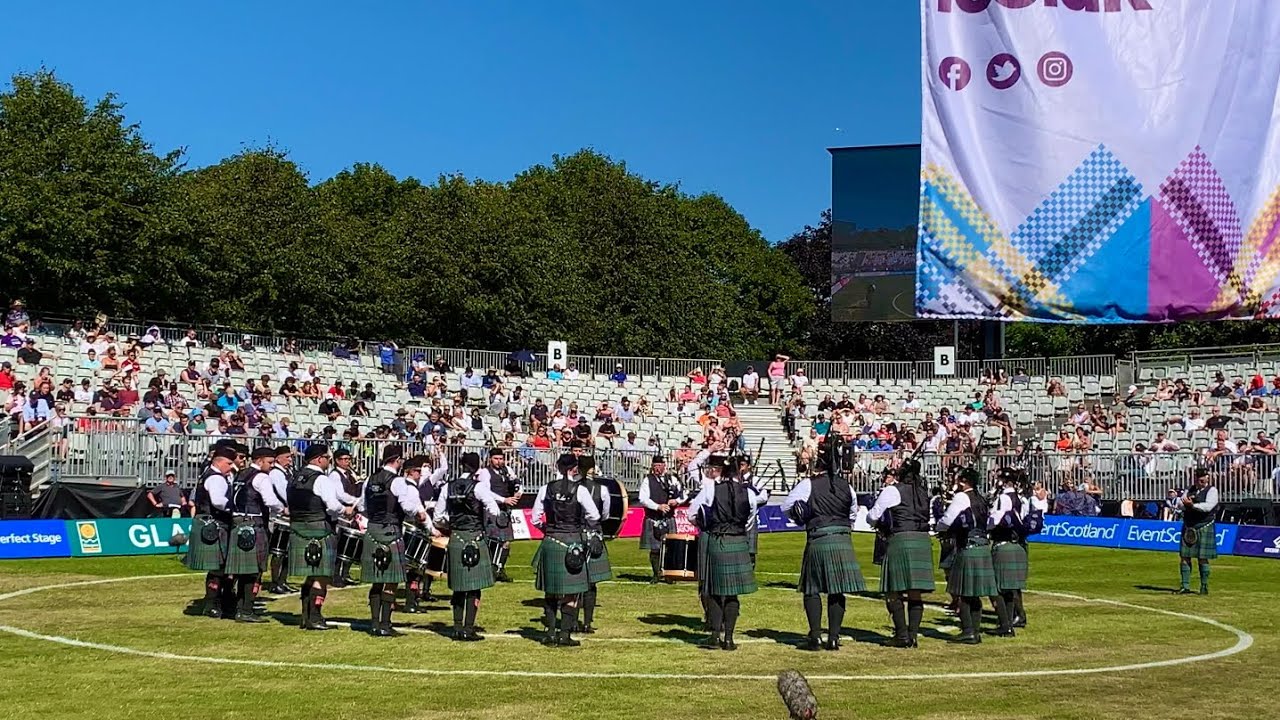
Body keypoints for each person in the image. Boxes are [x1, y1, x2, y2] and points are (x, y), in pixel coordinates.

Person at [781, 446, 866, 651]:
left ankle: (816, 636)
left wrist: (801, 516)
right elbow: (853, 512)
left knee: (812, 588)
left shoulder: (807, 484)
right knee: (837, 590)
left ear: (817, 467)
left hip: (819, 536)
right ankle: (834, 637)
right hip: (842, 537)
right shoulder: (847, 486)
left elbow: (786, 507)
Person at [686, 449, 759, 651]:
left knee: (717, 592)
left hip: (718, 541)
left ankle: (715, 636)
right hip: (738, 542)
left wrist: (709, 524)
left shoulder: (711, 490)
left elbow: (692, 514)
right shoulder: (750, 494)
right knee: (733, 594)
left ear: (724, 471)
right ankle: (729, 638)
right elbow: (749, 522)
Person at [358, 446, 429, 637]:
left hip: (373, 530)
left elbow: (362, 505)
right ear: (397, 460)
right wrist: (419, 512)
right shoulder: (397, 481)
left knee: (376, 580)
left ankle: (374, 624)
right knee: (390, 581)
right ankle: (385, 624)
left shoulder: (369, 479)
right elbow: (407, 507)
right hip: (391, 531)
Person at [530, 453, 600, 647]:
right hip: (572, 542)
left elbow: (535, 519)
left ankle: (551, 633)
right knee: (572, 592)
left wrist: (548, 530)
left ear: (558, 467)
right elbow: (594, 516)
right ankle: (564, 635)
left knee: (551, 590)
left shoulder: (546, 488)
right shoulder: (580, 490)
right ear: (574, 469)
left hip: (551, 541)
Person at [936, 467, 1012, 643]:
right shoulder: (981, 497)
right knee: (975, 592)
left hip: (968, 546)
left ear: (963, 481)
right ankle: (974, 631)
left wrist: (939, 528)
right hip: (983, 545)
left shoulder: (962, 497)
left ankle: (969, 630)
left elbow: (947, 520)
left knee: (963, 591)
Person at [867, 457, 935, 648]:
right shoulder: (923, 492)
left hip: (901, 540)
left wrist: (876, 524)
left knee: (893, 592)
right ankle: (913, 635)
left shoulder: (892, 490)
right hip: (922, 540)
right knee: (915, 593)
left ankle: (902, 635)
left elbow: (873, 516)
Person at [286, 444, 355, 630]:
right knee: (322, 575)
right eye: (328, 458)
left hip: (298, 528)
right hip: (320, 528)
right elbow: (332, 505)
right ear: (319, 459)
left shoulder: (294, 478)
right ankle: (315, 617)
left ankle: (306, 616)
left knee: (311, 575)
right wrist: (345, 510)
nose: (328, 462)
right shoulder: (321, 479)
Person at [435, 452, 501, 641]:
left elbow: (438, 517)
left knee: (458, 585)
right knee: (474, 586)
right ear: (477, 467)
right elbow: (494, 510)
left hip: (456, 537)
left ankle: (457, 628)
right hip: (475, 536)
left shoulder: (448, 487)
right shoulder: (478, 487)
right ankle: (468, 628)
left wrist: (452, 524)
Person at [223, 447, 285, 623]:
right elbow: (270, 501)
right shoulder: (261, 477)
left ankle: (230, 605)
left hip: (237, 522)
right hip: (254, 523)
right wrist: (284, 509)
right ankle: (246, 610)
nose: (272, 466)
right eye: (270, 462)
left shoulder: (241, 474)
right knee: (253, 571)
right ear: (259, 461)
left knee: (237, 570)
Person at [184, 444, 238, 619]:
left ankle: (218, 602)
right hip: (214, 524)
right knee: (218, 568)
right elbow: (218, 501)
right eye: (229, 463)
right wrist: (236, 507)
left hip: (207, 523)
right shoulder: (216, 478)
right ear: (220, 461)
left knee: (219, 567)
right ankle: (212, 604)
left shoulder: (208, 474)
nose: (231, 467)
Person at [403, 451, 450, 613]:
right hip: (414, 528)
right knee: (414, 567)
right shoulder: (410, 488)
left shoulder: (414, 485)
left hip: (417, 527)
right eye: (420, 468)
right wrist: (432, 529)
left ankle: (415, 598)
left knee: (418, 567)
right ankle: (410, 602)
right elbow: (418, 510)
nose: (422, 471)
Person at [988, 468, 1029, 628]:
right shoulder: (1018, 498)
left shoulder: (1005, 498)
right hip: (1017, 540)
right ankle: (1018, 615)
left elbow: (997, 519)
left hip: (1005, 539)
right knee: (1013, 583)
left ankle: (1013, 615)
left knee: (1005, 584)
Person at [577, 456, 611, 633]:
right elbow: (604, 514)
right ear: (593, 468)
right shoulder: (603, 489)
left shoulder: (572, 487)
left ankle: (572, 620)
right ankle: (587, 622)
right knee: (591, 582)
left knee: (574, 579)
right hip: (594, 534)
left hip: (575, 534)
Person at [638, 456, 684, 583]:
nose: (657, 467)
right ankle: (656, 574)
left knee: (670, 547)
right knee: (655, 548)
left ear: (665, 465)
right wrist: (658, 506)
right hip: (653, 517)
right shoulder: (648, 480)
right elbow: (643, 499)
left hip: (669, 517)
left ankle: (669, 574)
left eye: (660, 465)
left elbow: (683, 494)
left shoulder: (673, 479)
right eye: (655, 465)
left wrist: (676, 501)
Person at [477, 447, 520, 582]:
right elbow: (484, 491)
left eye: (501, 458)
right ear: (490, 459)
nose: (499, 461)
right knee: (492, 541)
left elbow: (517, 482)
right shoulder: (485, 472)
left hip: (504, 510)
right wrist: (503, 499)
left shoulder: (507, 470)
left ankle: (500, 568)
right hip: (491, 510)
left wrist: (519, 492)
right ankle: (490, 569)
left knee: (506, 542)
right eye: (496, 458)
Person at [1178, 467, 1219, 595]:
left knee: (1202, 558)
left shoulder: (1212, 490)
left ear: (1207, 478)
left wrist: (1193, 505)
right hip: (1189, 525)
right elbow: (1179, 504)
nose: (1200, 481)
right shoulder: (1190, 490)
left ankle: (1204, 586)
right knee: (1184, 557)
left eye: (1202, 479)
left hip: (1204, 525)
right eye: (1198, 479)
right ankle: (1185, 586)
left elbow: (1208, 506)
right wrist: (1185, 504)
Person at [329, 447, 362, 588]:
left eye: (349, 459)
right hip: (342, 512)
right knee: (340, 545)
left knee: (350, 545)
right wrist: (355, 501)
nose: (347, 462)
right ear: (337, 460)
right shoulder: (335, 475)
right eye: (344, 459)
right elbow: (339, 494)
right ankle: (336, 576)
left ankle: (345, 573)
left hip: (352, 512)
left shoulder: (350, 473)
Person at [266, 446, 294, 595]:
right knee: (279, 550)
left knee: (286, 550)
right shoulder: (276, 474)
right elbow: (285, 493)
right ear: (278, 458)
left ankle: (282, 581)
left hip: (287, 515)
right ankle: (275, 582)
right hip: (279, 516)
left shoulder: (285, 472)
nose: (290, 460)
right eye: (287, 457)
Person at [737, 457, 770, 566]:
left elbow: (764, 497)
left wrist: (748, 500)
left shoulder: (756, 480)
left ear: (749, 466)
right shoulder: (735, 479)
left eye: (743, 464)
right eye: (739, 464)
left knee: (750, 549)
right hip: (736, 517)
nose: (740, 467)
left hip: (750, 515)